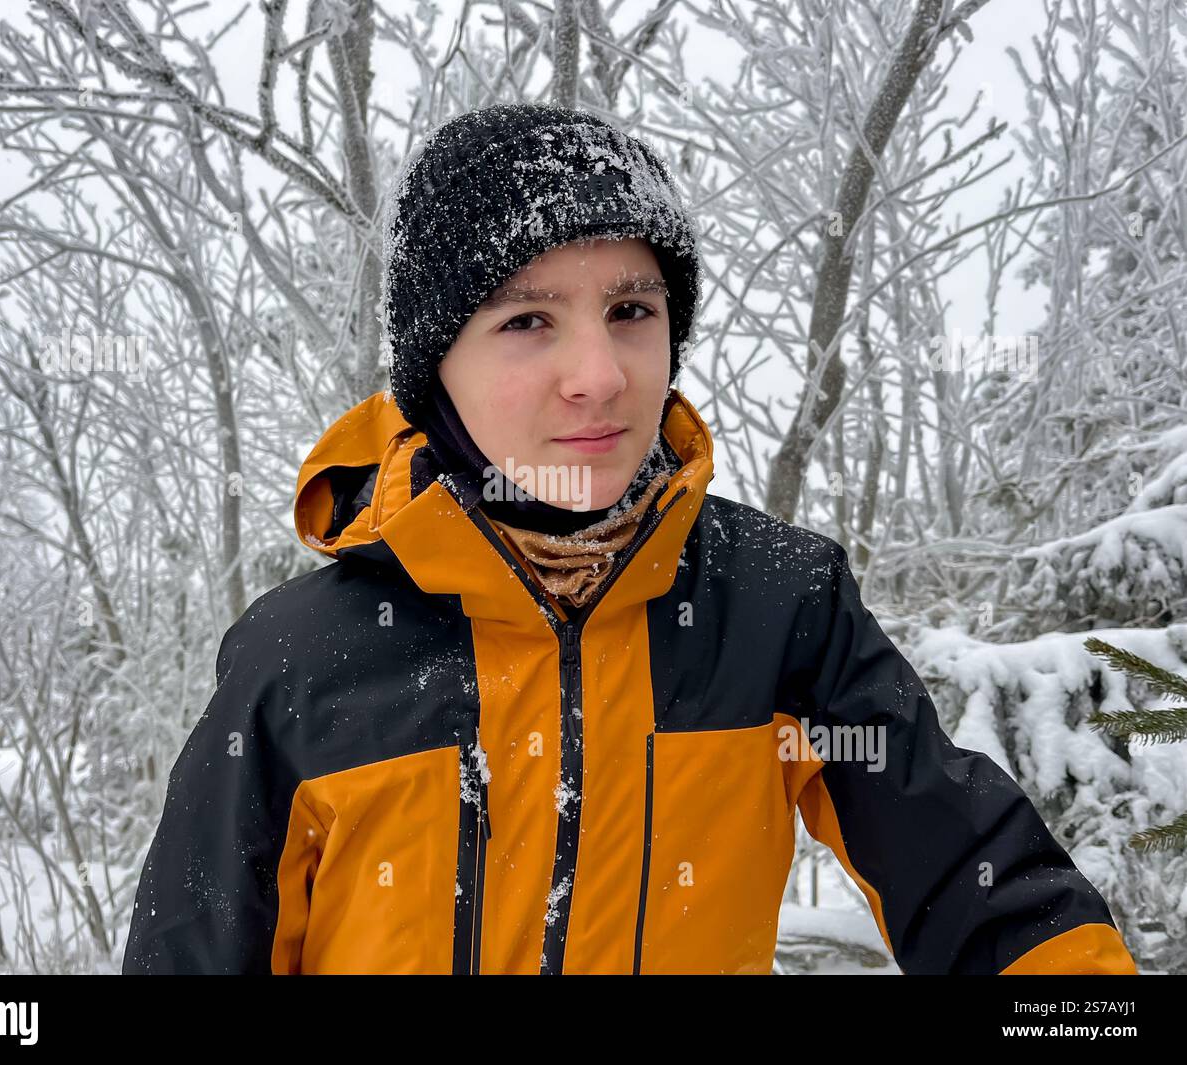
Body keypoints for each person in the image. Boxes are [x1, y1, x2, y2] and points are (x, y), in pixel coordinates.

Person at [122, 102, 1137, 975]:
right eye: (528, 321)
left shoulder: (777, 608)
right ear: (436, 368)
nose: (601, 375)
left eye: (630, 310)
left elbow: (974, 886)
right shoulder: (300, 663)